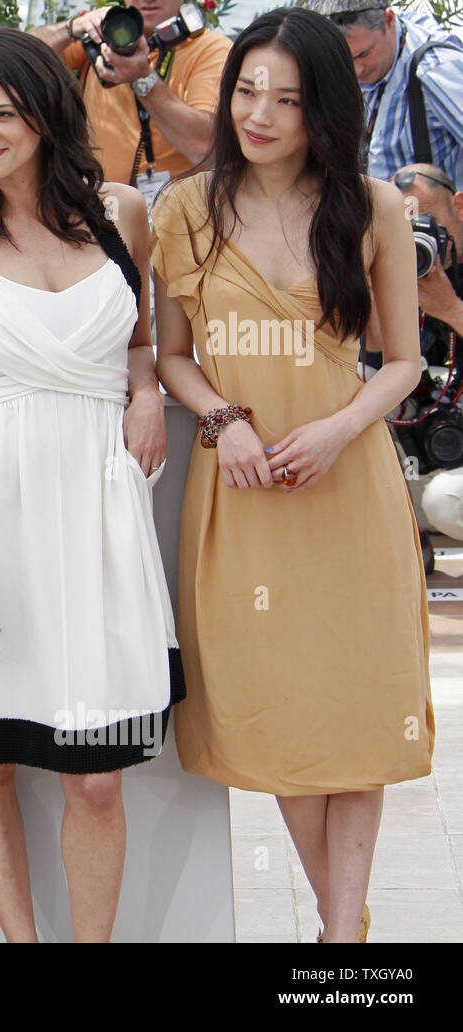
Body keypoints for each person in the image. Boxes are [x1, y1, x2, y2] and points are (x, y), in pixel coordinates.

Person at [0, 29, 179, 943]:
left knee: (94, 772)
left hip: (95, 514)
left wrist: (145, 390)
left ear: (47, 112)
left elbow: (141, 342)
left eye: (3, 114)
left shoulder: (125, 214)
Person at [151, 7, 434, 943]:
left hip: (347, 490)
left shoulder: (373, 204)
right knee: (277, 727)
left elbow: (403, 360)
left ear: (327, 109)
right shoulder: (184, 209)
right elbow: (173, 357)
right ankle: (342, 927)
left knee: (354, 718)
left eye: (287, 97)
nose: (259, 114)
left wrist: (342, 427)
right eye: (245, 91)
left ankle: (341, 935)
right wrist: (222, 419)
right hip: (242, 500)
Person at [34, 0, 231, 207]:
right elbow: (19, 56)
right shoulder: (103, 36)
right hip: (100, 210)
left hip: (176, 218)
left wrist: (143, 80)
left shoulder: (212, 49)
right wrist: (73, 27)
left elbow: (205, 146)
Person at [379, 165, 463, 543]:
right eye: (406, 222)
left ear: (459, 206)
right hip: (418, 450)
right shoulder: (382, 270)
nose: (419, 234)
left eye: (427, 218)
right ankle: (406, 535)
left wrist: (449, 308)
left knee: (446, 502)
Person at [311, 0, 463, 187]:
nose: (356, 71)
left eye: (364, 54)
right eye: (343, 59)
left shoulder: (437, 69)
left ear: (389, 20)